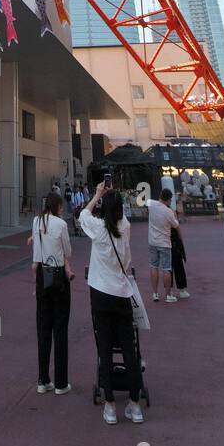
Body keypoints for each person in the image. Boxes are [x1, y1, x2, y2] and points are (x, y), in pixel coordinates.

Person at [79, 181, 144, 425]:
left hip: (99, 293)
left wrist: (97, 194)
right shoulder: (125, 227)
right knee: (130, 349)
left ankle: (109, 406)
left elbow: (84, 214)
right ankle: (135, 405)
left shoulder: (97, 228)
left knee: (104, 349)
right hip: (121, 293)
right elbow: (118, 217)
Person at [31, 190, 73, 394]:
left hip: (42, 275)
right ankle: (61, 383)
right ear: (57, 206)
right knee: (60, 327)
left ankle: (42, 379)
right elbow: (68, 251)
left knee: (43, 326)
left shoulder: (37, 221)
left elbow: (37, 254)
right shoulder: (61, 224)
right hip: (58, 275)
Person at [147, 188, 180, 302]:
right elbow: (176, 225)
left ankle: (155, 293)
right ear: (169, 199)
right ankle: (168, 295)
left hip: (152, 241)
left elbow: (140, 198)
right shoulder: (168, 211)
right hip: (165, 243)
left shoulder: (151, 204)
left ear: (160, 196)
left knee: (153, 266)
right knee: (166, 269)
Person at [168, 191, 189, 298]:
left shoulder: (157, 212)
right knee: (178, 265)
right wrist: (180, 239)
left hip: (165, 241)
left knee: (168, 267)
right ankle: (181, 289)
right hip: (174, 241)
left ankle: (169, 291)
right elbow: (177, 227)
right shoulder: (171, 212)